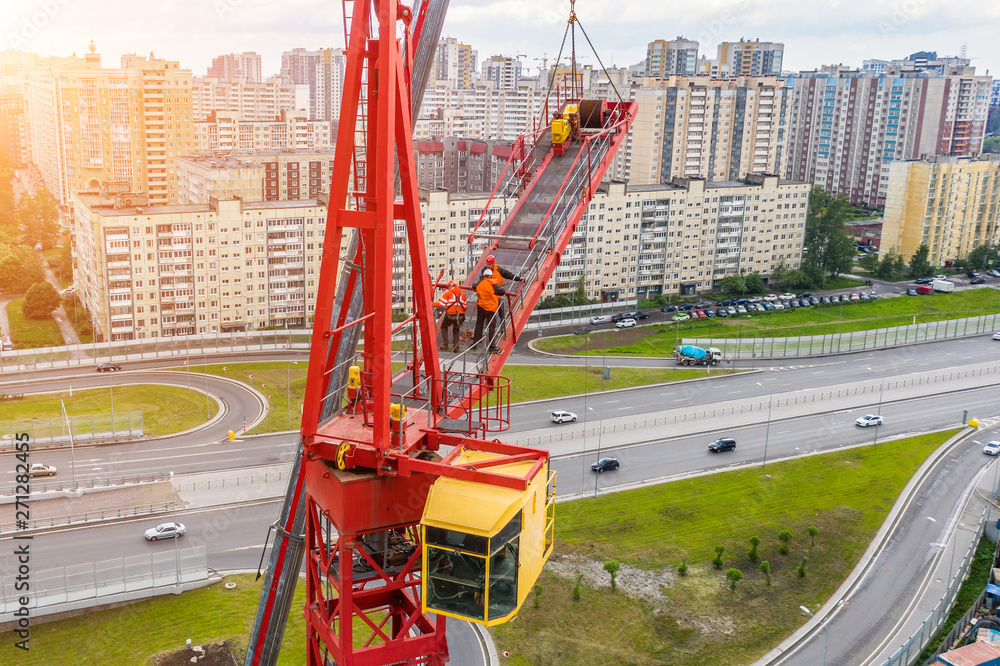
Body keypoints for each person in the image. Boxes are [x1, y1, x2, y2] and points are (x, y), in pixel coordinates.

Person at [473, 269, 505, 353]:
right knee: (492, 326)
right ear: (491, 276)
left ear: (483, 276)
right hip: (490, 309)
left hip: (481, 307)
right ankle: (492, 346)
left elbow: (474, 286)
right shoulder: (493, 284)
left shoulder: (480, 284)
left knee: (479, 324)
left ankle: (475, 344)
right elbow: (502, 292)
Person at [433, 280, 467, 353]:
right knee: (456, 330)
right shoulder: (462, 294)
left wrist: (432, 304)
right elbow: (465, 307)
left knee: (444, 327)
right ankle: (456, 348)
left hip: (450, 315)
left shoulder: (448, 293)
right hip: (460, 316)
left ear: (450, 286)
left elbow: (441, 304)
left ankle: (445, 344)